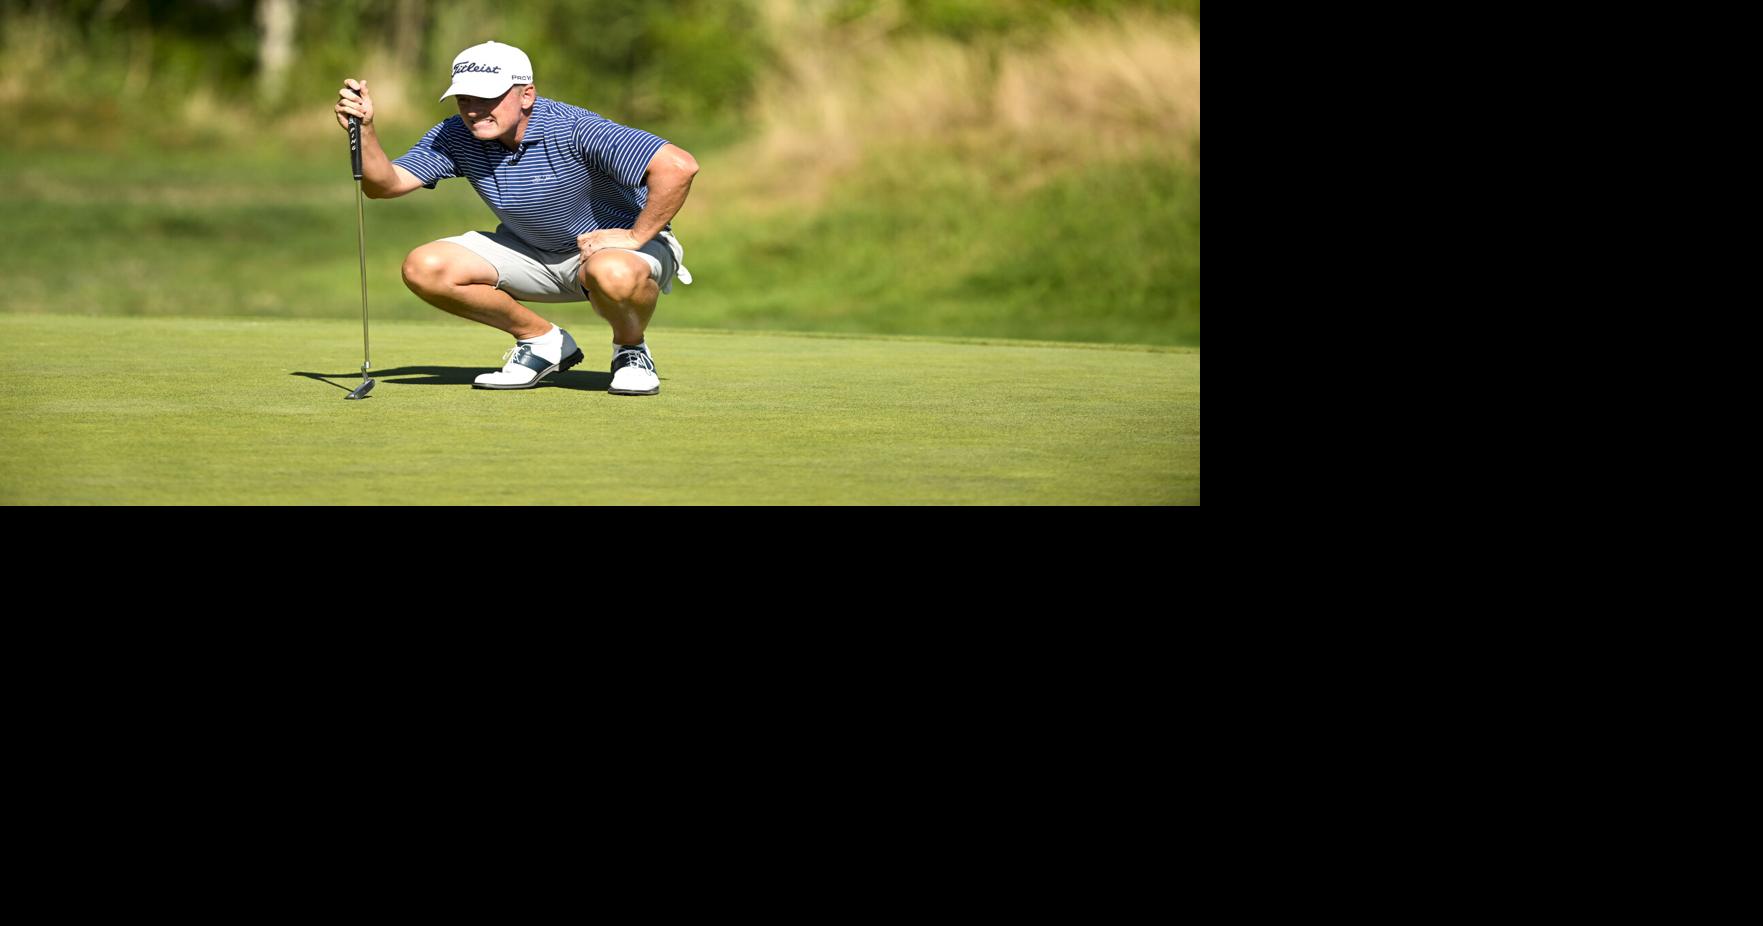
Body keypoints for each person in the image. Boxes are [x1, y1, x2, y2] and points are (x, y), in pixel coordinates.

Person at [333, 41, 697, 395]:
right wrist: (365, 130)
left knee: (612, 272)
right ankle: (542, 342)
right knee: (424, 267)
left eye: (488, 98)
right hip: (531, 251)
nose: (474, 110)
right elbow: (385, 185)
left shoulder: (573, 128)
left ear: (526, 95)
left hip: (614, 255)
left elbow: (678, 166)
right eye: (465, 99)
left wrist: (635, 236)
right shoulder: (457, 134)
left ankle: (631, 351)